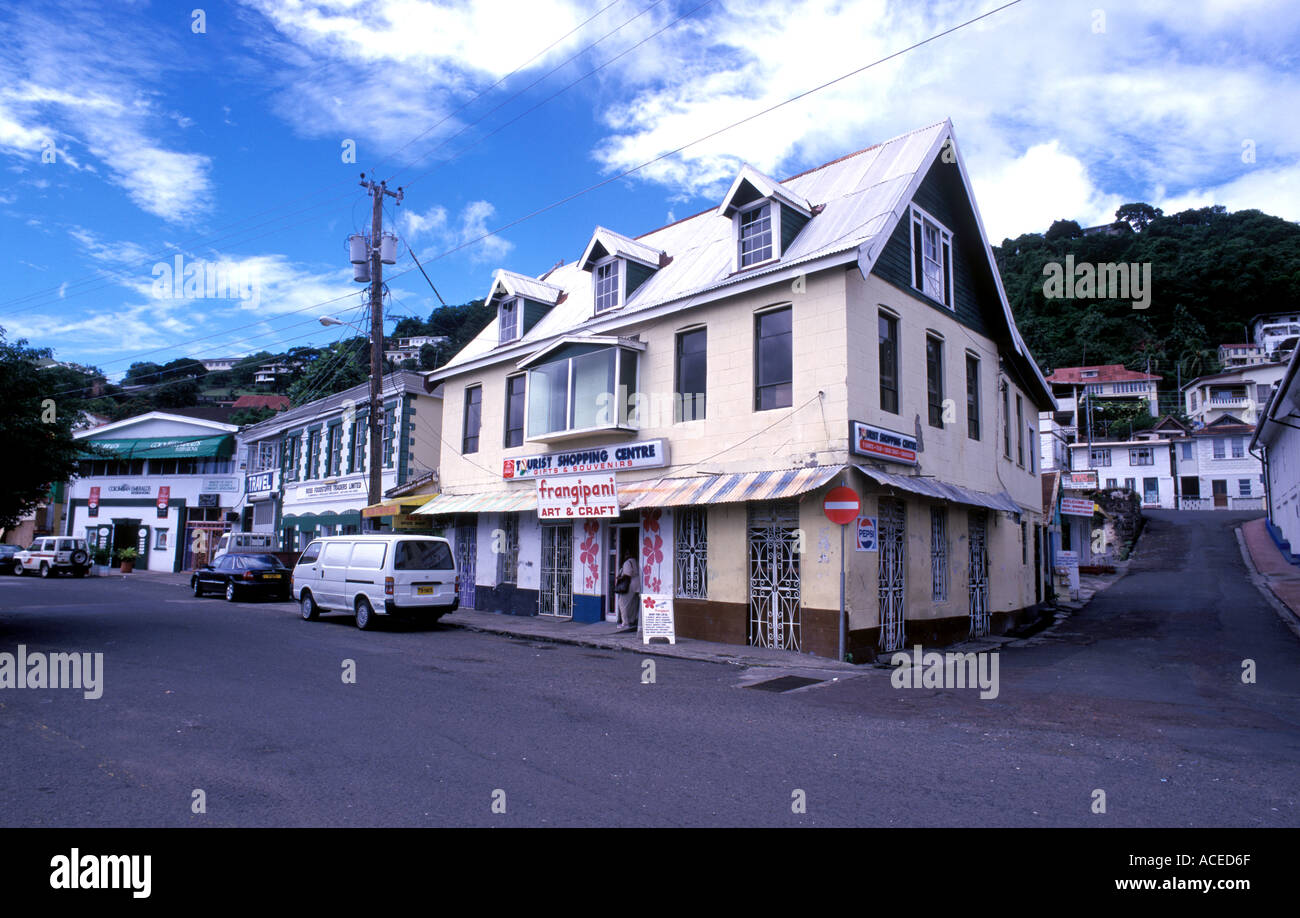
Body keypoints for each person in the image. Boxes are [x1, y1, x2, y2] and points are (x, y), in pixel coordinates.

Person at [616, 552, 640, 632]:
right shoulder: (636, 561)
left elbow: (627, 574)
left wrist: (619, 577)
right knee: (633, 604)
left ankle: (625, 623)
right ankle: (632, 620)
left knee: (622, 603)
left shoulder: (627, 562)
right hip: (637, 584)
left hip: (630, 585)